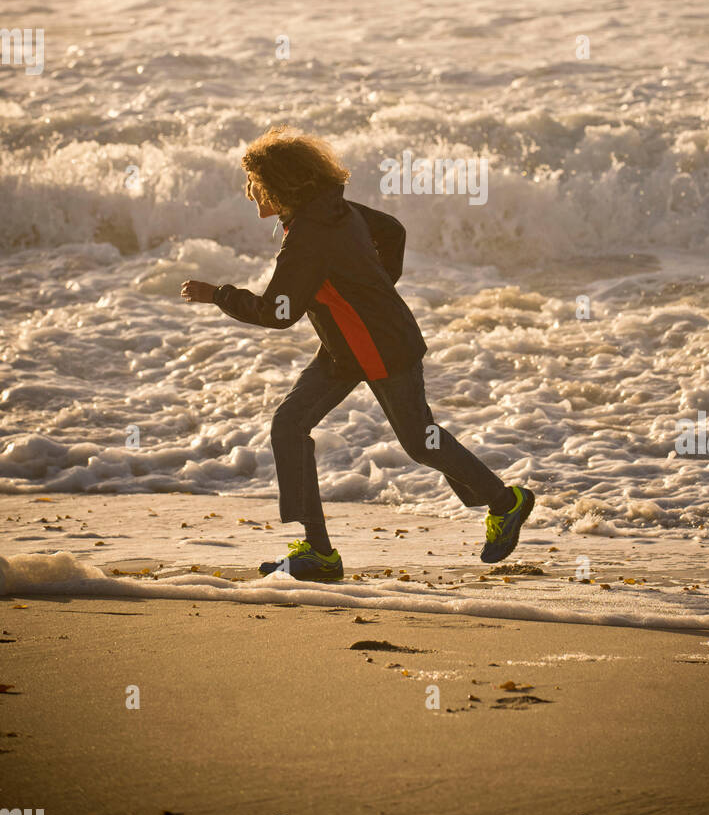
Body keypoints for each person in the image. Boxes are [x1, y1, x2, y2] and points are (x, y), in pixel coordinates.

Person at [181, 126, 534, 582]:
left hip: (382, 346)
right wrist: (373, 286)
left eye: (254, 184)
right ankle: (318, 551)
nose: (249, 192)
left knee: (420, 441)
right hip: (344, 347)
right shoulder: (332, 208)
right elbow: (393, 231)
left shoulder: (309, 234)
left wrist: (219, 295)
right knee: (289, 424)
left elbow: (278, 311)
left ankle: (507, 503)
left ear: (279, 185)